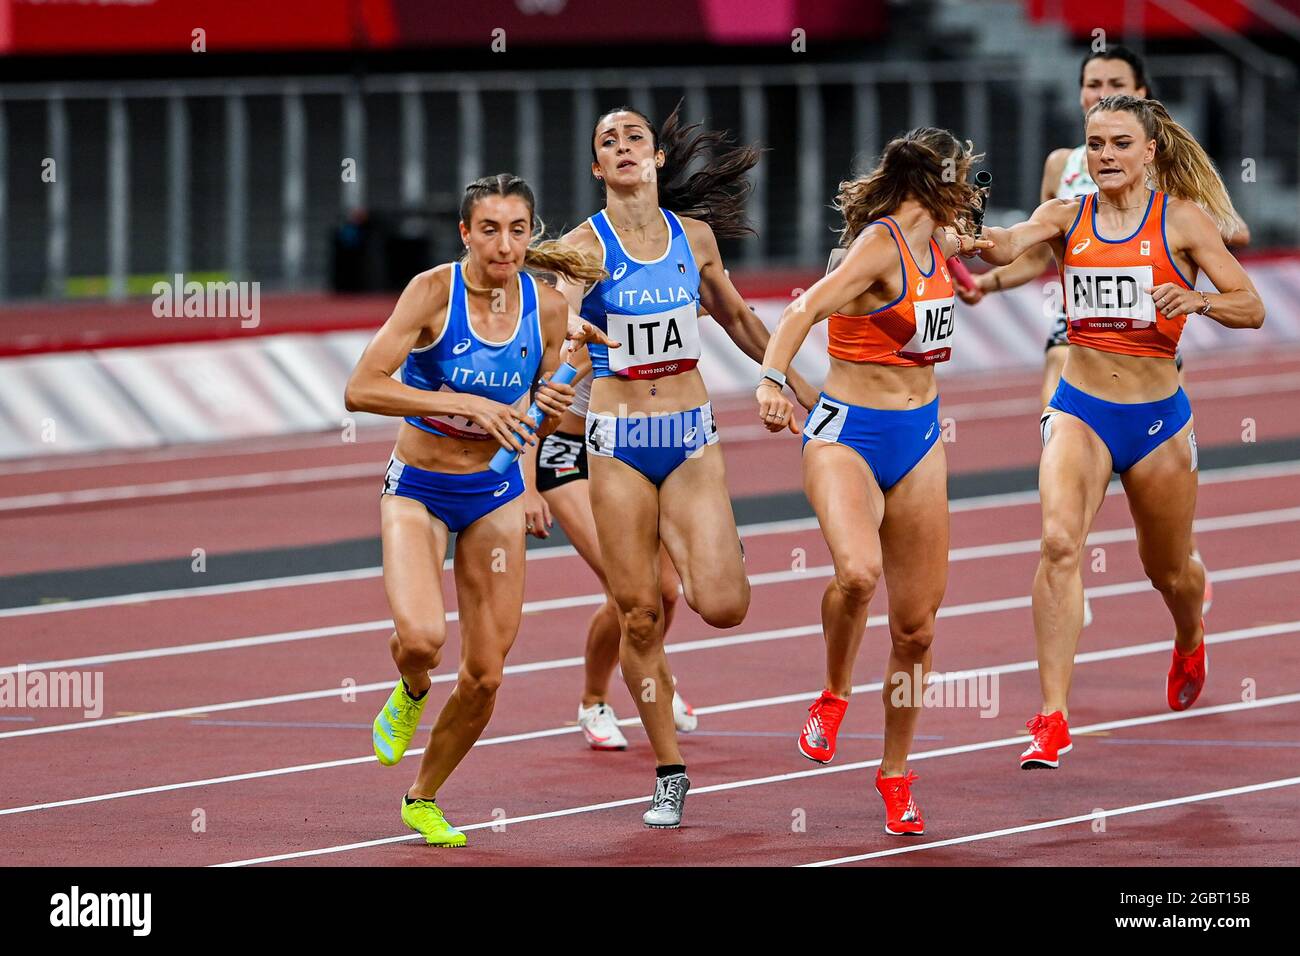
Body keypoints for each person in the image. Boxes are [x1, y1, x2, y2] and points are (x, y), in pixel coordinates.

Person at [976, 96, 1263, 769]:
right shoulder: (1068, 216)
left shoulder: (1183, 222)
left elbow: (1249, 306)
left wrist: (1199, 300)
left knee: (1167, 569)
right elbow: (1013, 240)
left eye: (1119, 144)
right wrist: (972, 233)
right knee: (1057, 542)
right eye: (1096, 143)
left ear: (1150, 152)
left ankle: (1190, 633)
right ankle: (1051, 716)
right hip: (1081, 409)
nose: (1105, 156)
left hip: (1158, 420)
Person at [553, 104, 818, 828]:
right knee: (640, 611)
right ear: (597, 168)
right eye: (608, 140)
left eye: (634, 136)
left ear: (657, 158)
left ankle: (711, 544)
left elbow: (733, 316)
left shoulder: (692, 236)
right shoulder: (584, 245)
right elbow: (560, 317)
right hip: (616, 444)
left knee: (725, 606)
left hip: (690, 437)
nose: (623, 146)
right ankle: (670, 771)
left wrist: (795, 382)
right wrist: (569, 328)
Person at [344, 173, 609, 846]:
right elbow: (361, 389)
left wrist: (541, 426)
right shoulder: (433, 292)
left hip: (491, 493)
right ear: (465, 232)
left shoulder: (548, 309)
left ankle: (422, 796)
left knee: (487, 674)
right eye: (489, 229)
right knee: (424, 640)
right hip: (420, 489)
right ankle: (409, 690)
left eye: (517, 230)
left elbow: (538, 411)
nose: (504, 243)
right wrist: (466, 404)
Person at [756, 127, 989, 835]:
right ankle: (832, 693)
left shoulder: (941, 243)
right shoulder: (879, 247)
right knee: (857, 574)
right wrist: (770, 378)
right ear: (933, 184)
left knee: (916, 630)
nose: (972, 195)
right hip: (846, 433)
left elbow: (997, 243)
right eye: (964, 181)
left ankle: (894, 772)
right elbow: (803, 307)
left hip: (918, 439)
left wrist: (1012, 248)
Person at [958, 45, 1245, 619]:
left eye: (1113, 82)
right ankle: (1064, 563)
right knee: (1055, 415)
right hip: (1075, 332)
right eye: (1091, 83)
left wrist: (1190, 275)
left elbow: (1229, 235)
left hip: (1149, 344)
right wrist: (987, 279)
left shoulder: (1166, 176)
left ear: (1143, 98)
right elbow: (1033, 249)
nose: (1098, 91)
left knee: (1161, 543)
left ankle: (1177, 553)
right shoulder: (1063, 167)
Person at [521, 348, 699, 750]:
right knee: (627, 590)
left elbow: (720, 307)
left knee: (666, 591)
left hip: (632, 449)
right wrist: (528, 488)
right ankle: (594, 702)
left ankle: (646, 671)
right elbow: (540, 399)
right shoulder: (594, 321)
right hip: (569, 455)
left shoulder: (665, 304)